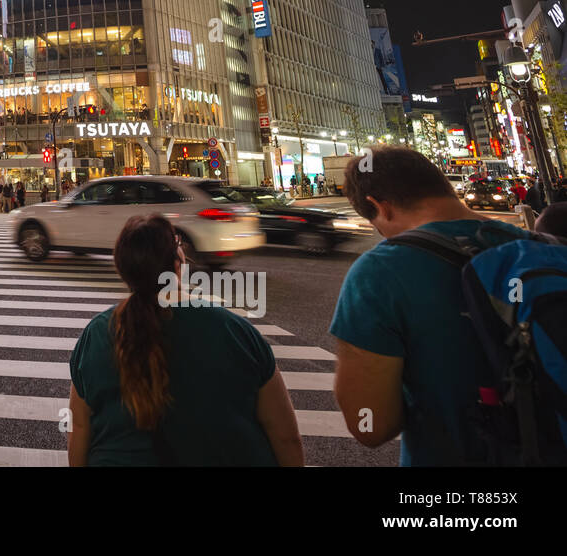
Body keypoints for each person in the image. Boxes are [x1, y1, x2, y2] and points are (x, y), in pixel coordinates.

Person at [330, 146, 542, 465]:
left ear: (379, 207)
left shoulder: (379, 272)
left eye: (375, 224)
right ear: (443, 185)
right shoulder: (538, 247)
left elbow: (371, 426)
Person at [68, 215, 303, 466]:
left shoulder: (96, 335)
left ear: (123, 270)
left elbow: (80, 427)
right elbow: (285, 437)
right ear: (177, 263)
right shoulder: (235, 331)